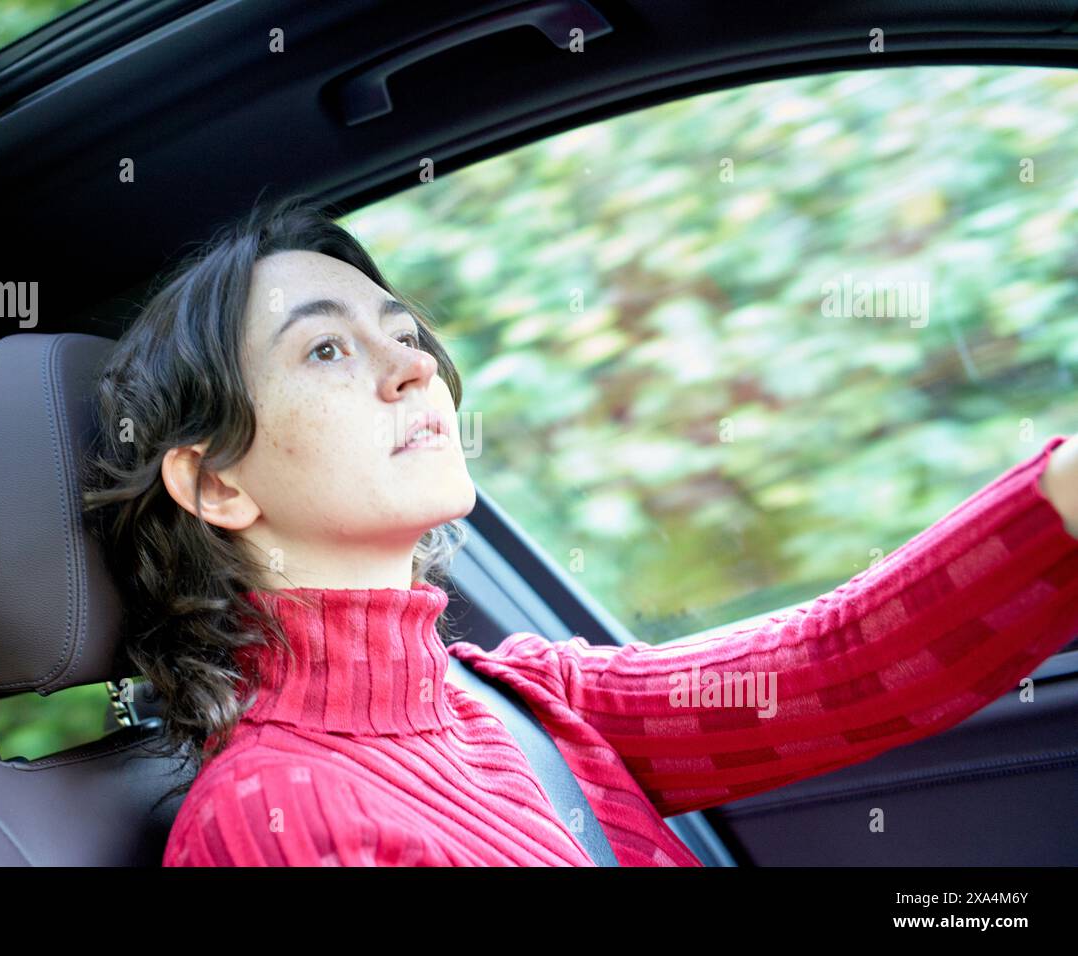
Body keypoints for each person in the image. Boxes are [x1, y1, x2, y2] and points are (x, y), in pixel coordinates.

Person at [81, 190, 1078, 866]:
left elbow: (837, 669)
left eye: (402, 330)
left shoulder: (522, 693)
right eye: (327, 347)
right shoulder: (273, 814)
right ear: (215, 483)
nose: (411, 363)